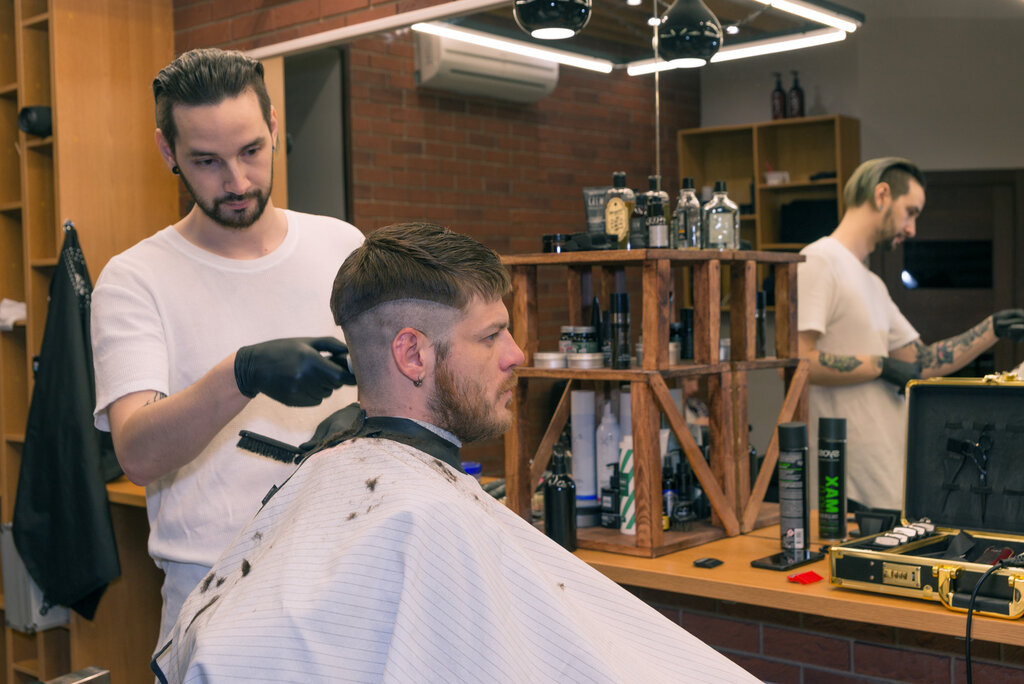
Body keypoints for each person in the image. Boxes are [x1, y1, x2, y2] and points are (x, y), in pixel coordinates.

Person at [152, 223, 758, 683]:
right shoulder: (419, 514)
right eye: (492, 335)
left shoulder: (377, 487)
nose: (517, 354)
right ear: (412, 354)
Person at [91, 48, 364, 646]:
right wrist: (242, 374)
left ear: (272, 125)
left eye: (251, 152)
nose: (237, 182)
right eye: (207, 161)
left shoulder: (341, 245)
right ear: (168, 152)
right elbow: (135, 450)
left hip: (342, 571)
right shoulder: (136, 279)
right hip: (214, 596)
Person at [797, 157, 1024, 510]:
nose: (912, 229)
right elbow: (799, 362)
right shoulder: (818, 260)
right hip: (845, 486)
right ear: (882, 194)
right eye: (911, 212)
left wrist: (992, 328)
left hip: (888, 477)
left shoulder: (871, 283)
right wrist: (880, 366)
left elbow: (923, 361)